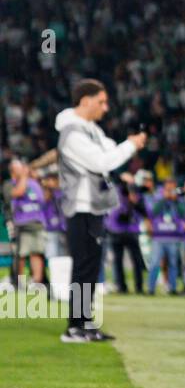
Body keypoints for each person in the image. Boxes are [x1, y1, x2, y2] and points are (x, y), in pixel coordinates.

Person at [55, 79, 146, 342]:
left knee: (91, 268)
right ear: (85, 101)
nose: (105, 108)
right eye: (101, 102)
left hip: (94, 207)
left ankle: (85, 322)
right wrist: (129, 145)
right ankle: (75, 327)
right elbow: (104, 161)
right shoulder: (73, 133)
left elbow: (110, 153)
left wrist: (125, 146)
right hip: (81, 207)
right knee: (84, 267)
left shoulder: (90, 129)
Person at [4, 158, 48, 290]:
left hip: (37, 224)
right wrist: (24, 177)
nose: (23, 170)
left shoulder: (33, 183)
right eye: (19, 169)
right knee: (20, 255)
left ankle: (37, 283)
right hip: (19, 225)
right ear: (12, 171)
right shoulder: (9, 184)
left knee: (37, 253)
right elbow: (18, 192)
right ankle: (19, 284)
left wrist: (39, 181)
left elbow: (43, 199)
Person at [146, 178, 185, 295]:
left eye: (173, 187)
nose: (170, 190)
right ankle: (150, 289)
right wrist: (164, 199)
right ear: (165, 187)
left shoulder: (179, 200)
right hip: (159, 237)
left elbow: (183, 213)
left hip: (174, 237)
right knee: (155, 263)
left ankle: (173, 288)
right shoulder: (157, 197)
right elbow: (153, 212)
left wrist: (175, 201)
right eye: (168, 187)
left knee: (173, 264)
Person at [105, 171, 148, 294]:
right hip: (116, 230)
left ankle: (139, 287)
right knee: (118, 261)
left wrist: (134, 202)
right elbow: (119, 215)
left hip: (132, 231)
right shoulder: (117, 191)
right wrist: (123, 179)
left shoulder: (137, 194)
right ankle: (121, 287)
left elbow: (144, 212)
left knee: (137, 261)